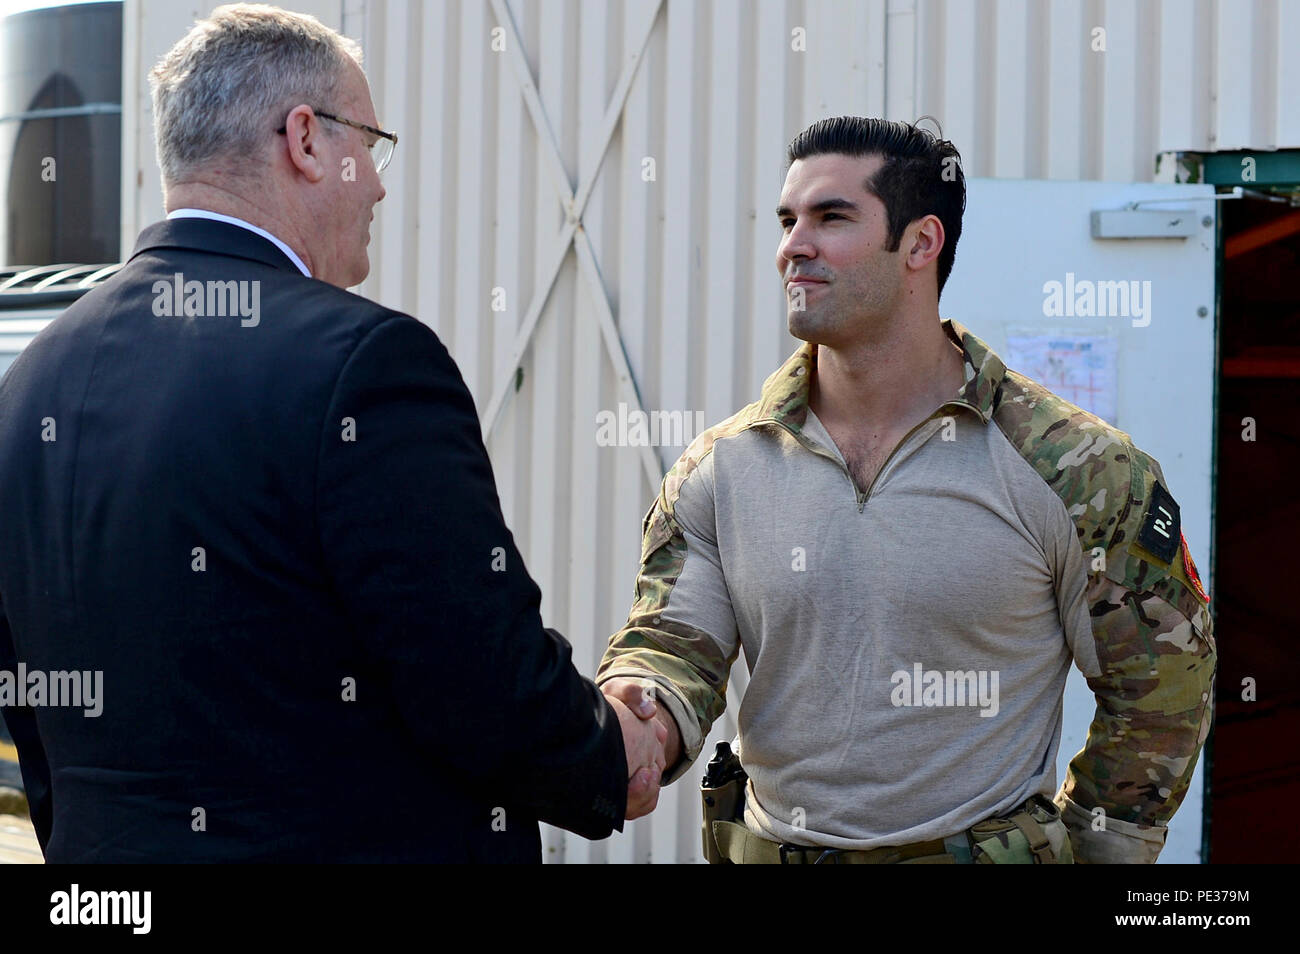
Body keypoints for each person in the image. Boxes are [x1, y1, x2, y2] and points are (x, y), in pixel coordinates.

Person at [0, 3, 664, 863]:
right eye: (370, 144)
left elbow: (35, 718)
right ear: (306, 140)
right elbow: (475, 675)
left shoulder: (29, 382)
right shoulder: (366, 362)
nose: (381, 184)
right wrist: (617, 755)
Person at [600, 116, 1216, 864]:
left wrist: (1088, 853)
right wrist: (641, 717)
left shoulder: (1074, 469)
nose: (795, 245)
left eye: (832, 218)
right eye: (789, 220)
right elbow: (673, 646)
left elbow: (1162, 690)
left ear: (921, 244)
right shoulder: (722, 469)